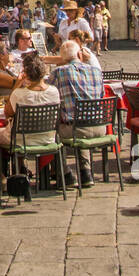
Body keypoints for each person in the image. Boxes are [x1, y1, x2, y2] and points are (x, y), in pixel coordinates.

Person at [48, 40, 106, 188]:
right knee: (80, 119)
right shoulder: (96, 71)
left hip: (74, 130)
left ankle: (65, 173)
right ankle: (86, 171)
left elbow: (49, 94)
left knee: (51, 133)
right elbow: (101, 95)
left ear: (62, 58)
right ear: (79, 54)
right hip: (100, 126)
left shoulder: (59, 72)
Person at [0, 54, 61, 165]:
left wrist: (17, 84)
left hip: (21, 140)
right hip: (47, 138)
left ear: (26, 75)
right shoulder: (54, 91)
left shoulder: (19, 94)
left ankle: (3, 172)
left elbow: (7, 113)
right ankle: (21, 167)